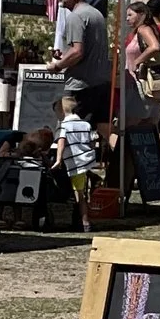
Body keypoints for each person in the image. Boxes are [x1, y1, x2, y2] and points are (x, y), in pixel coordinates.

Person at [49, 0, 113, 142]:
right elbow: (88, 49)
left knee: (70, 129)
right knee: (103, 128)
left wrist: (57, 65)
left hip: (80, 85)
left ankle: (71, 166)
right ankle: (118, 162)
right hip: (101, 82)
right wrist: (64, 55)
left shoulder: (76, 16)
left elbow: (77, 52)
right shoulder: (96, 14)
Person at [57, 92, 100, 229]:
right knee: (80, 190)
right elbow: (93, 142)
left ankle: (84, 221)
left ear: (61, 111)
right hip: (85, 160)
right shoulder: (85, 124)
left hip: (74, 162)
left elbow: (61, 142)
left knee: (78, 194)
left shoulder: (64, 125)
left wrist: (58, 159)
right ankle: (83, 220)